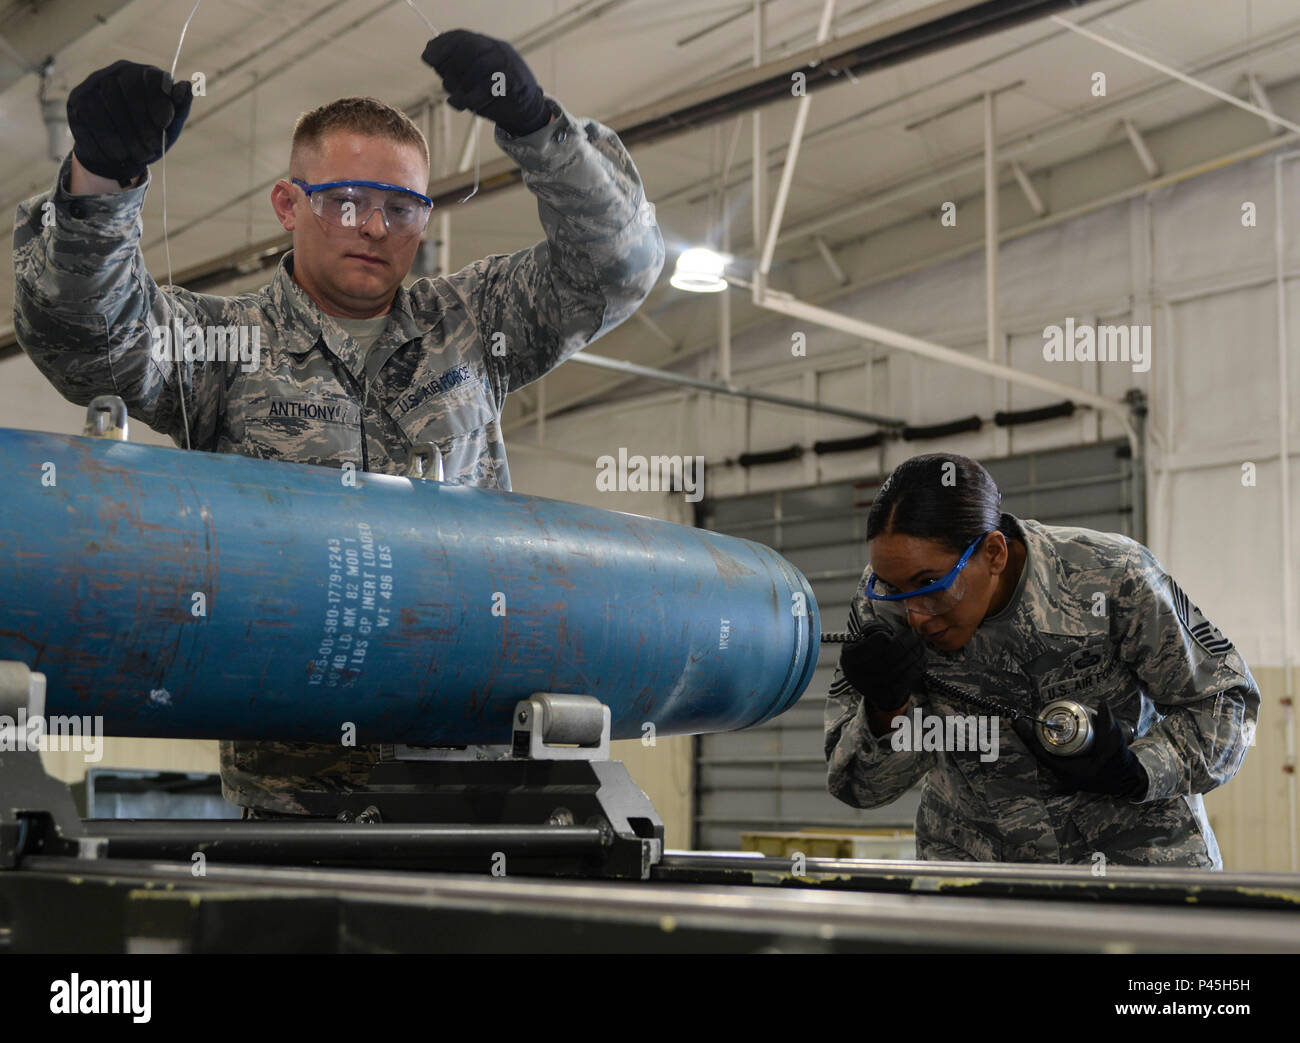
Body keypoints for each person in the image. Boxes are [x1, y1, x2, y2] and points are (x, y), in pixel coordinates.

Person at [12, 29, 664, 818]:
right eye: (349, 201)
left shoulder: (476, 323)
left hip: (476, 794)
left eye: (402, 207)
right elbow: (91, 342)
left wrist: (537, 131)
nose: (375, 227)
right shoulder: (227, 349)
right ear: (290, 203)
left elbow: (618, 267)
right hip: (293, 812)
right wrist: (101, 182)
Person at [825, 452, 1258, 869]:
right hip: (980, 874)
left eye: (931, 583)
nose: (914, 614)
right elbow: (859, 788)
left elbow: (1227, 707)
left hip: (1134, 862)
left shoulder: (1109, 576)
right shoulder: (883, 605)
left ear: (994, 553)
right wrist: (886, 709)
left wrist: (1136, 770)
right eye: (893, 587)